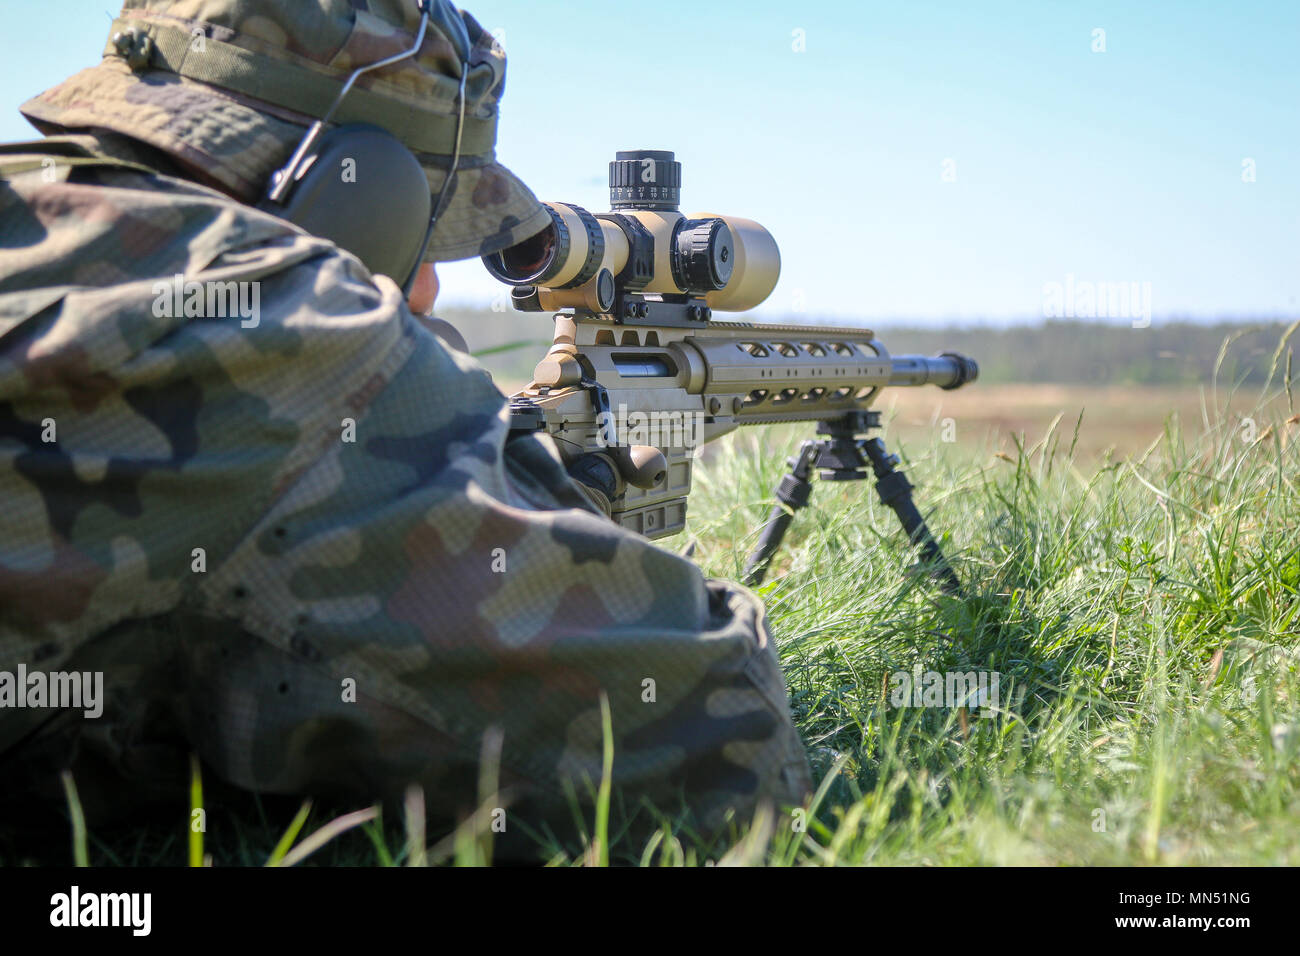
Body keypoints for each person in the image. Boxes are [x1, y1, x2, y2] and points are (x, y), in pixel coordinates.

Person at [0, 0, 810, 853]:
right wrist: (528, 482)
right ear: (351, 186)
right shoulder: (283, 327)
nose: (423, 287)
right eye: (425, 226)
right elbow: (720, 741)